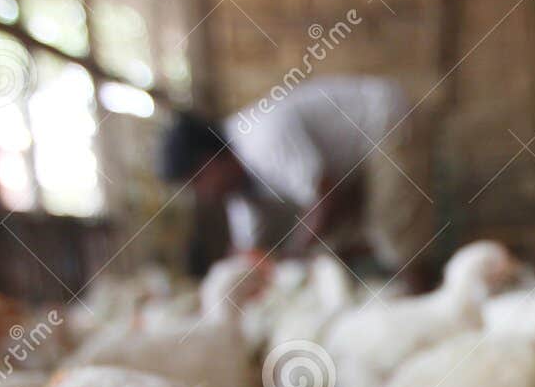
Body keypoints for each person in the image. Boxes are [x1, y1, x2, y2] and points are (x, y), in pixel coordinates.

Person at [159, 76, 435, 283]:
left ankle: (424, 314)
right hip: (345, 164)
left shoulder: (264, 139)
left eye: (197, 180)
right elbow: (249, 247)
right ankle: (382, 303)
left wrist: (290, 257)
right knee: (332, 250)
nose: (203, 194)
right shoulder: (237, 186)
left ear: (210, 160)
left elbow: (325, 199)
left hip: (384, 122)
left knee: (397, 235)